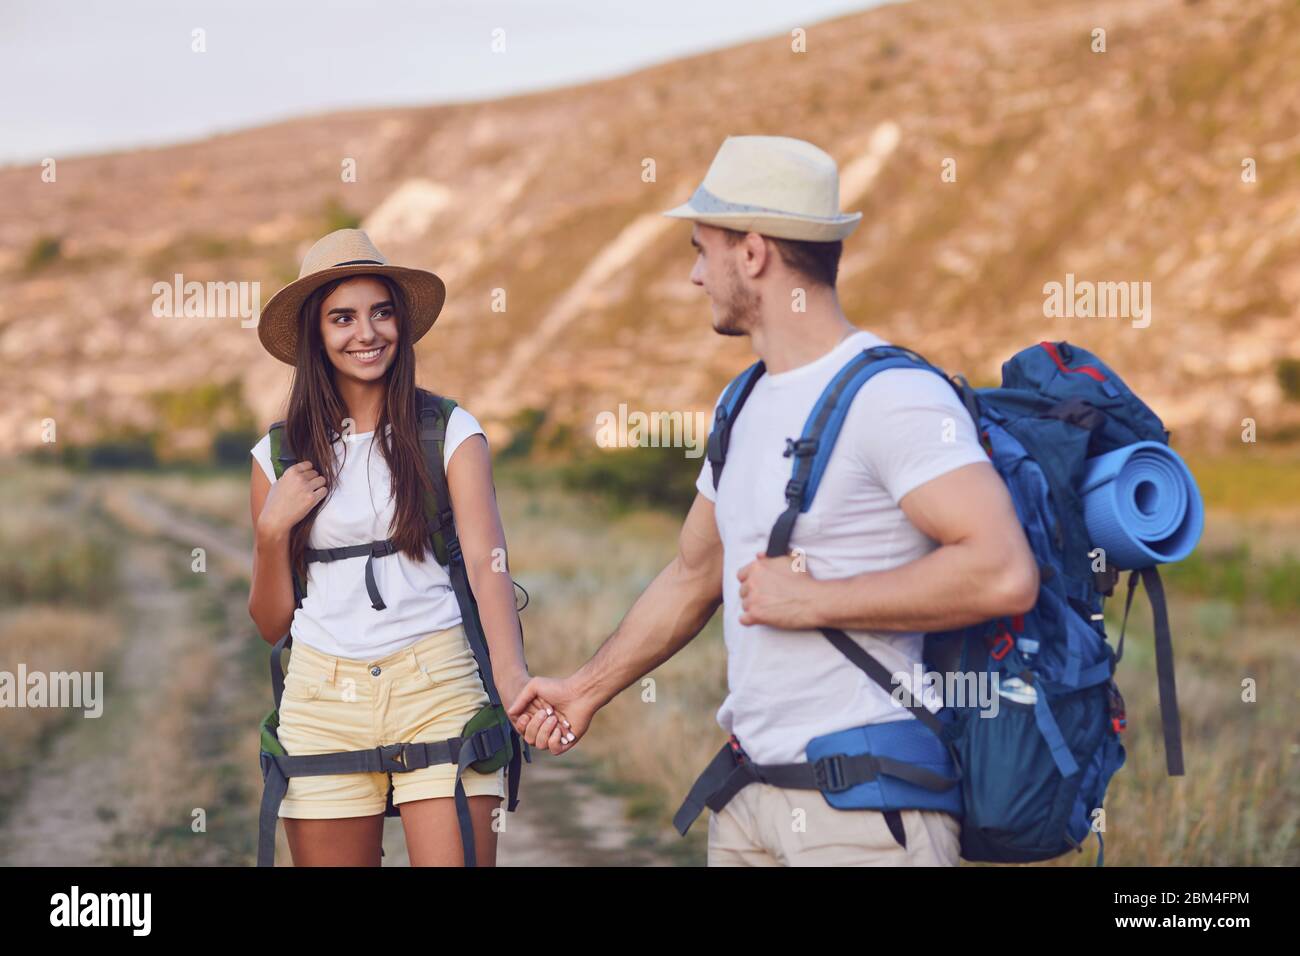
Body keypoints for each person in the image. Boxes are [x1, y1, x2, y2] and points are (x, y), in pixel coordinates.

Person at [508, 136, 1040, 866]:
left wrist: (818, 600)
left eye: (703, 250)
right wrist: (586, 689)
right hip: (751, 810)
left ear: (753, 253)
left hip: (864, 819)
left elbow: (1002, 571)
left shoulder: (894, 396)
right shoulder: (743, 399)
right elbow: (695, 574)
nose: (696, 275)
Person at [248, 228, 538, 866]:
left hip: (439, 687)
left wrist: (513, 680)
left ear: (401, 324)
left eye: (381, 312)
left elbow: (492, 570)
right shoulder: (277, 456)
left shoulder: (449, 431)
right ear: (316, 335)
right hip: (321, 699)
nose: (366, 333)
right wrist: (272, 534)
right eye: (342, 318)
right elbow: (271, 620)